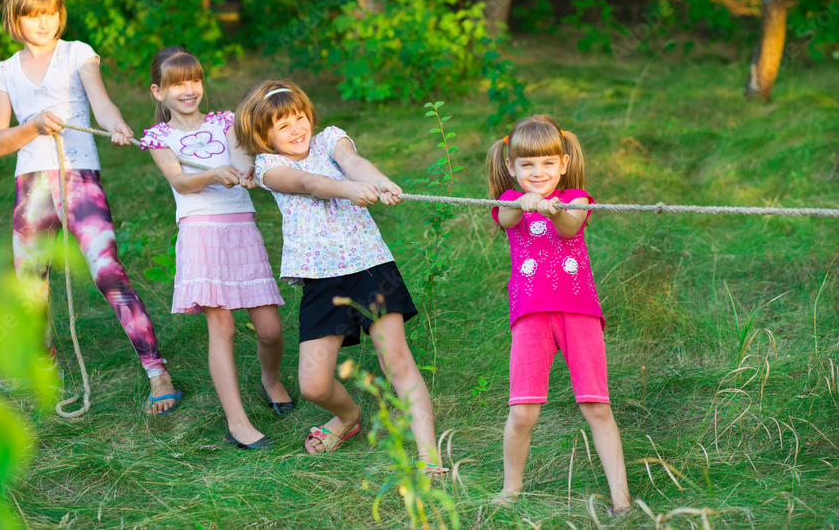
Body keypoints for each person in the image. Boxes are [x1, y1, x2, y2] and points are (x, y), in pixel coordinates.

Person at [0, 0, 181, 415]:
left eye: (51, 13)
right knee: (29, 287)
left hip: (78, 179)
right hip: (31, 187)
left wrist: (115, 124)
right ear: (14, 20)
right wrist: (32, 125)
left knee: (107, 270)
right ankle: (44, 370)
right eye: (33, 16)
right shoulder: (5, 71)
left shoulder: (77, 53)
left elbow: (102, 102)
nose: (44, 23)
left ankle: (156, 370)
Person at [233, 79, 445, 471]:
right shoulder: (269, 167)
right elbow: (309, 183)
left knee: (396, 360)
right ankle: (348, 417)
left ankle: (429, 457)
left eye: (299, 118)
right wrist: (348, 190)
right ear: (264, 137)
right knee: (313, 384)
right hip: (321, 279)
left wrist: (378, 181)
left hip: (369, 265)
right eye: (283, 126)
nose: (297, 129)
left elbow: (354, 162)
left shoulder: (330, 139)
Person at [140, 48, 293, 449]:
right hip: (200, 233)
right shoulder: (159, 137)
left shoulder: (224, 122)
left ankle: (270, 380)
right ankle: (238, 423)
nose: (188, 90)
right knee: (222, 327)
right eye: (177, 83)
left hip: (241, 230)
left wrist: (245, 171)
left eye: (194, 80)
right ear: (158, 92)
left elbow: (242, 161)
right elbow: (179, 180)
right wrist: (212, 175)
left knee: (270, 329)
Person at [486, 114, 631, 512]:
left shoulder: (576, 198)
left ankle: (621, 501)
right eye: (527, 164)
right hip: (530, 316)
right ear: (511, 167)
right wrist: (523, 203)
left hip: (579, 313)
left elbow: (569, 227)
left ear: (564, 163)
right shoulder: (509, 200)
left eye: (548, 163)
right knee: (522, 411)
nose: (538, 172)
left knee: (596, 405)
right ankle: (511, 490)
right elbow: (507, 217)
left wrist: (550, 209)